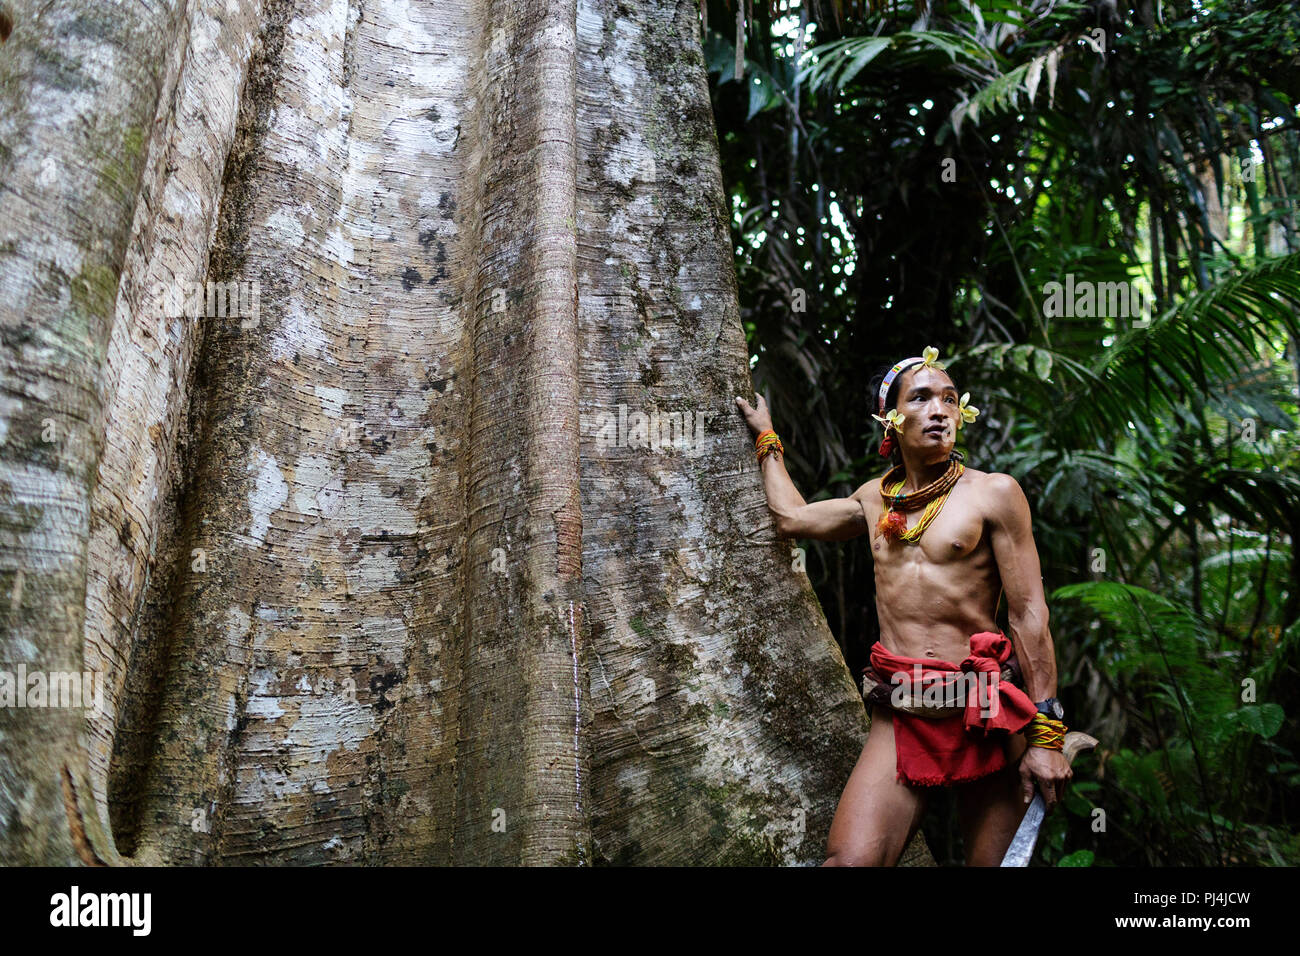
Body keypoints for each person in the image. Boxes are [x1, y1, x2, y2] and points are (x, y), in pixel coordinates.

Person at [735, 346, 1072, 866]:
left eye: (950, 399)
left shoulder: (994, 494)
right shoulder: (873, 499)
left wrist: (1047, 734)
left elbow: (1029, 616)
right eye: (922, 398)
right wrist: (766, 436)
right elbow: (792, 520)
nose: (940, 409)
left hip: (982, 709)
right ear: (890, 418)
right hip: (903, 710)